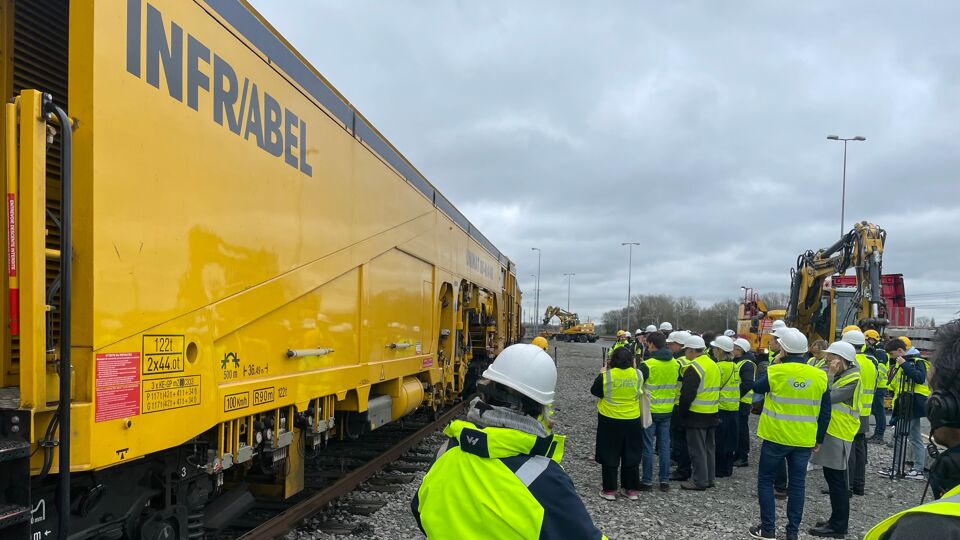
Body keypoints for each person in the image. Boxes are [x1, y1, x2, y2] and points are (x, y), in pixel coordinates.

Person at [412, 344, 606, 539]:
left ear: (484, 394)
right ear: (541, 410)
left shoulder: (446, 452)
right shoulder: (544, 480)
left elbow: (419, 508)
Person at [864, 319, 960, 540]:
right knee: (901, 436)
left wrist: (903, 364)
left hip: (913, 406)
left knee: (914, 437)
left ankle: (917, 467)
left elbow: (917, 378)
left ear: (945, 405)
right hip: (903, 404)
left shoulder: (927, 528)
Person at [749, 328, 831, 540]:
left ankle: (768, 529)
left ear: (783, 350)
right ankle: (792, 533)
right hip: (804, 439)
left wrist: (774, 364)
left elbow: (756, 387)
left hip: (775, 437)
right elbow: (825, 412)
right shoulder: (820, 375)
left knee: (766, 481)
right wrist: (819, 438)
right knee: (797, 485)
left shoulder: (776, 371)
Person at [808, 341, 862, 538]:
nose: (826, 361)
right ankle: (835, 520)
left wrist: (829, 375)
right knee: (832, 478)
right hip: (834, 431)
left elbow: (826, 397)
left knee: (837, 481)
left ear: (840, 360)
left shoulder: (852, 378)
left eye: (830, 358)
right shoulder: (845, 374)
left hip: (839, 432)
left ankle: (838, 526)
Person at [591, 347, 645, 500]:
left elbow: (595, 391)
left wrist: (601, 373)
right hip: (632, 419)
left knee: (609, 453)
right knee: (631, 453)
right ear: (631, 360)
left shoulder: (606, 376)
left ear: (612, 360)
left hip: (609, 419)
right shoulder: (638, 375)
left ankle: (609, 490)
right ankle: (631, 489)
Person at [878, 337, 929, 480]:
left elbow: (919, 378)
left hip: (912, 403)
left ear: (900, 351)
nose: (891, 357)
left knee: (899, 436)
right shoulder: (904, 362)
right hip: (907, 403)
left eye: (892, 354)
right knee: (915, 437)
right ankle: (918, 470)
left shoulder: (916, 361)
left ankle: (897, 469)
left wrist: (904, 364)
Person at [677, 335, 721, 490]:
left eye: (686, 351)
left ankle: (699, 481)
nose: (685, 354)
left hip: (696, 415)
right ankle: (709, 479)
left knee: (697, 450)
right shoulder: (713, 364)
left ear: (691, 350)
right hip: (712, 412)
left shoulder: (694, 367)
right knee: (709, 448)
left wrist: (682, 413)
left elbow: (687, 395)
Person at [841, 329, 877, 495]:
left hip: (851, 411)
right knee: (860, 447)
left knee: (849, 448)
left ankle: (846, 486)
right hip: (865, 411)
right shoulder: (871, 362)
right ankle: (858, 485)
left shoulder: (851, 363)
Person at [642, 331, 679, 491]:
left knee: (647, 447)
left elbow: (638, 385)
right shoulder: (675, 364)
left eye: (648, 344)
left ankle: (647, 481)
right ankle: (664, 481)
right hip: (667, 411)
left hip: (650, 411)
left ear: (652, 344)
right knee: (664, 447)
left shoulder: (648, 365)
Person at [667, 331, 693, 481]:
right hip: (694, 405)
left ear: (679, 345)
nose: (669, 347)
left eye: (671, 344)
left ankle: (682, 470)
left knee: (679, 439)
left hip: (678, 404)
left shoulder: (678, 362)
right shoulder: (696, 360)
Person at [713, 335, 740, 477]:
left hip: (721, 407)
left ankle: (719, 469)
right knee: (730, 440)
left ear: (719, 350)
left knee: (719, 440)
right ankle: (728, 469)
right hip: (734, 408)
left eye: (715, 348)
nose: (713, 350)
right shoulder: (735, 366)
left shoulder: (718, 367)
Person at [733, 338, 757, 467]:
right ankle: (738, 455)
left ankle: (743, 457)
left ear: (740, 350)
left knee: (741, 430)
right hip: (738, 400)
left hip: (742, 401)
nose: (731, 350)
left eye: (734, 348)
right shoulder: (738, 361)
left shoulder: (746, 364)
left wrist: (735, 396)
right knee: (737, 429)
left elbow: (747, 383)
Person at [864, 329, 890, 443]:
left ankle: (879, 435)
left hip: (879, 386)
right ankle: (877, 434)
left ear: (871, 339)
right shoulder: (878, 350)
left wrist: (874, 382)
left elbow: (881, 369)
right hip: (878, 385)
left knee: (879, 411)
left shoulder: (879, 352)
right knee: (876, 410)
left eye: (866, 340)